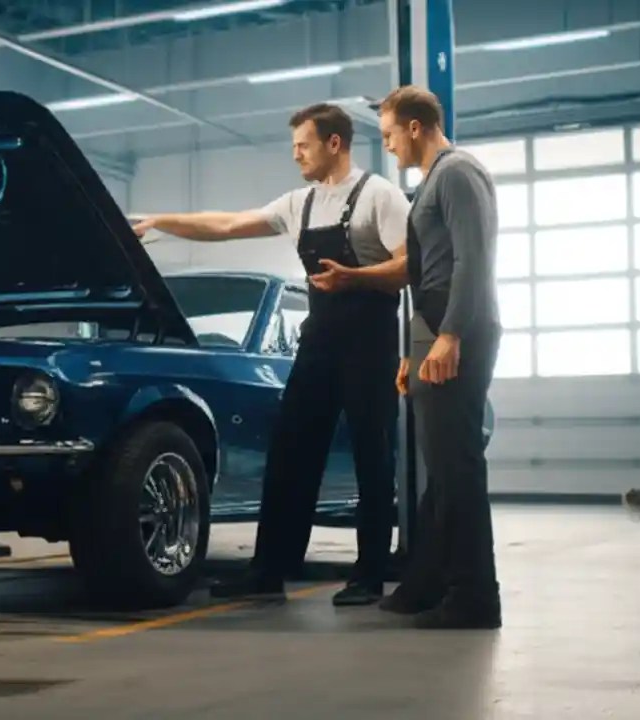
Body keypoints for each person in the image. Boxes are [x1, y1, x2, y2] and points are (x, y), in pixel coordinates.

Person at [132, 103, 412, 606]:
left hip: (370, 340)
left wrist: (354, 277)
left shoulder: (379, 196)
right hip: (320, 339)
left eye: (303, 145)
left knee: (374, 454)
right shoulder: (299, 203)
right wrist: (162, 221)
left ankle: (369, 573)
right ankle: (268, 571)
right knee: (290, 453)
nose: (296, 155)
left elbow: (410, 265)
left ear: (334, 143)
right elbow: (228, 224)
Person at [366, 85, 503, 629]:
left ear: (415, 127)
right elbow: (427, 273)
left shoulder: (457, 173)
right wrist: (412, 349)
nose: (390, 146)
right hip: (435, 329)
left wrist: (449, 336)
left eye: (389, 135)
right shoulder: (432, 183)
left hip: (459, 328)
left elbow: (473, 261)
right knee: (439, 470)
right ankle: (425, 584)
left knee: (457, 467)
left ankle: (476, 598)